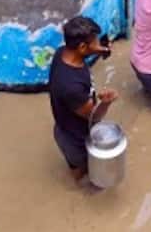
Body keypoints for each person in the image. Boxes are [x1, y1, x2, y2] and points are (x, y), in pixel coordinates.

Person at [49, 16, 118, 182]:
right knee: (84, 169)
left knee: (82, 165)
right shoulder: (71, 86)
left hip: (67, 126)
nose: (97, 44)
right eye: (94, 42)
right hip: (75, 137)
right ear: (81, 47)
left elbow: (86, 52)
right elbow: (94, 116)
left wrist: (100, 50)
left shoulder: (62, 53)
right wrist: (106, 102)